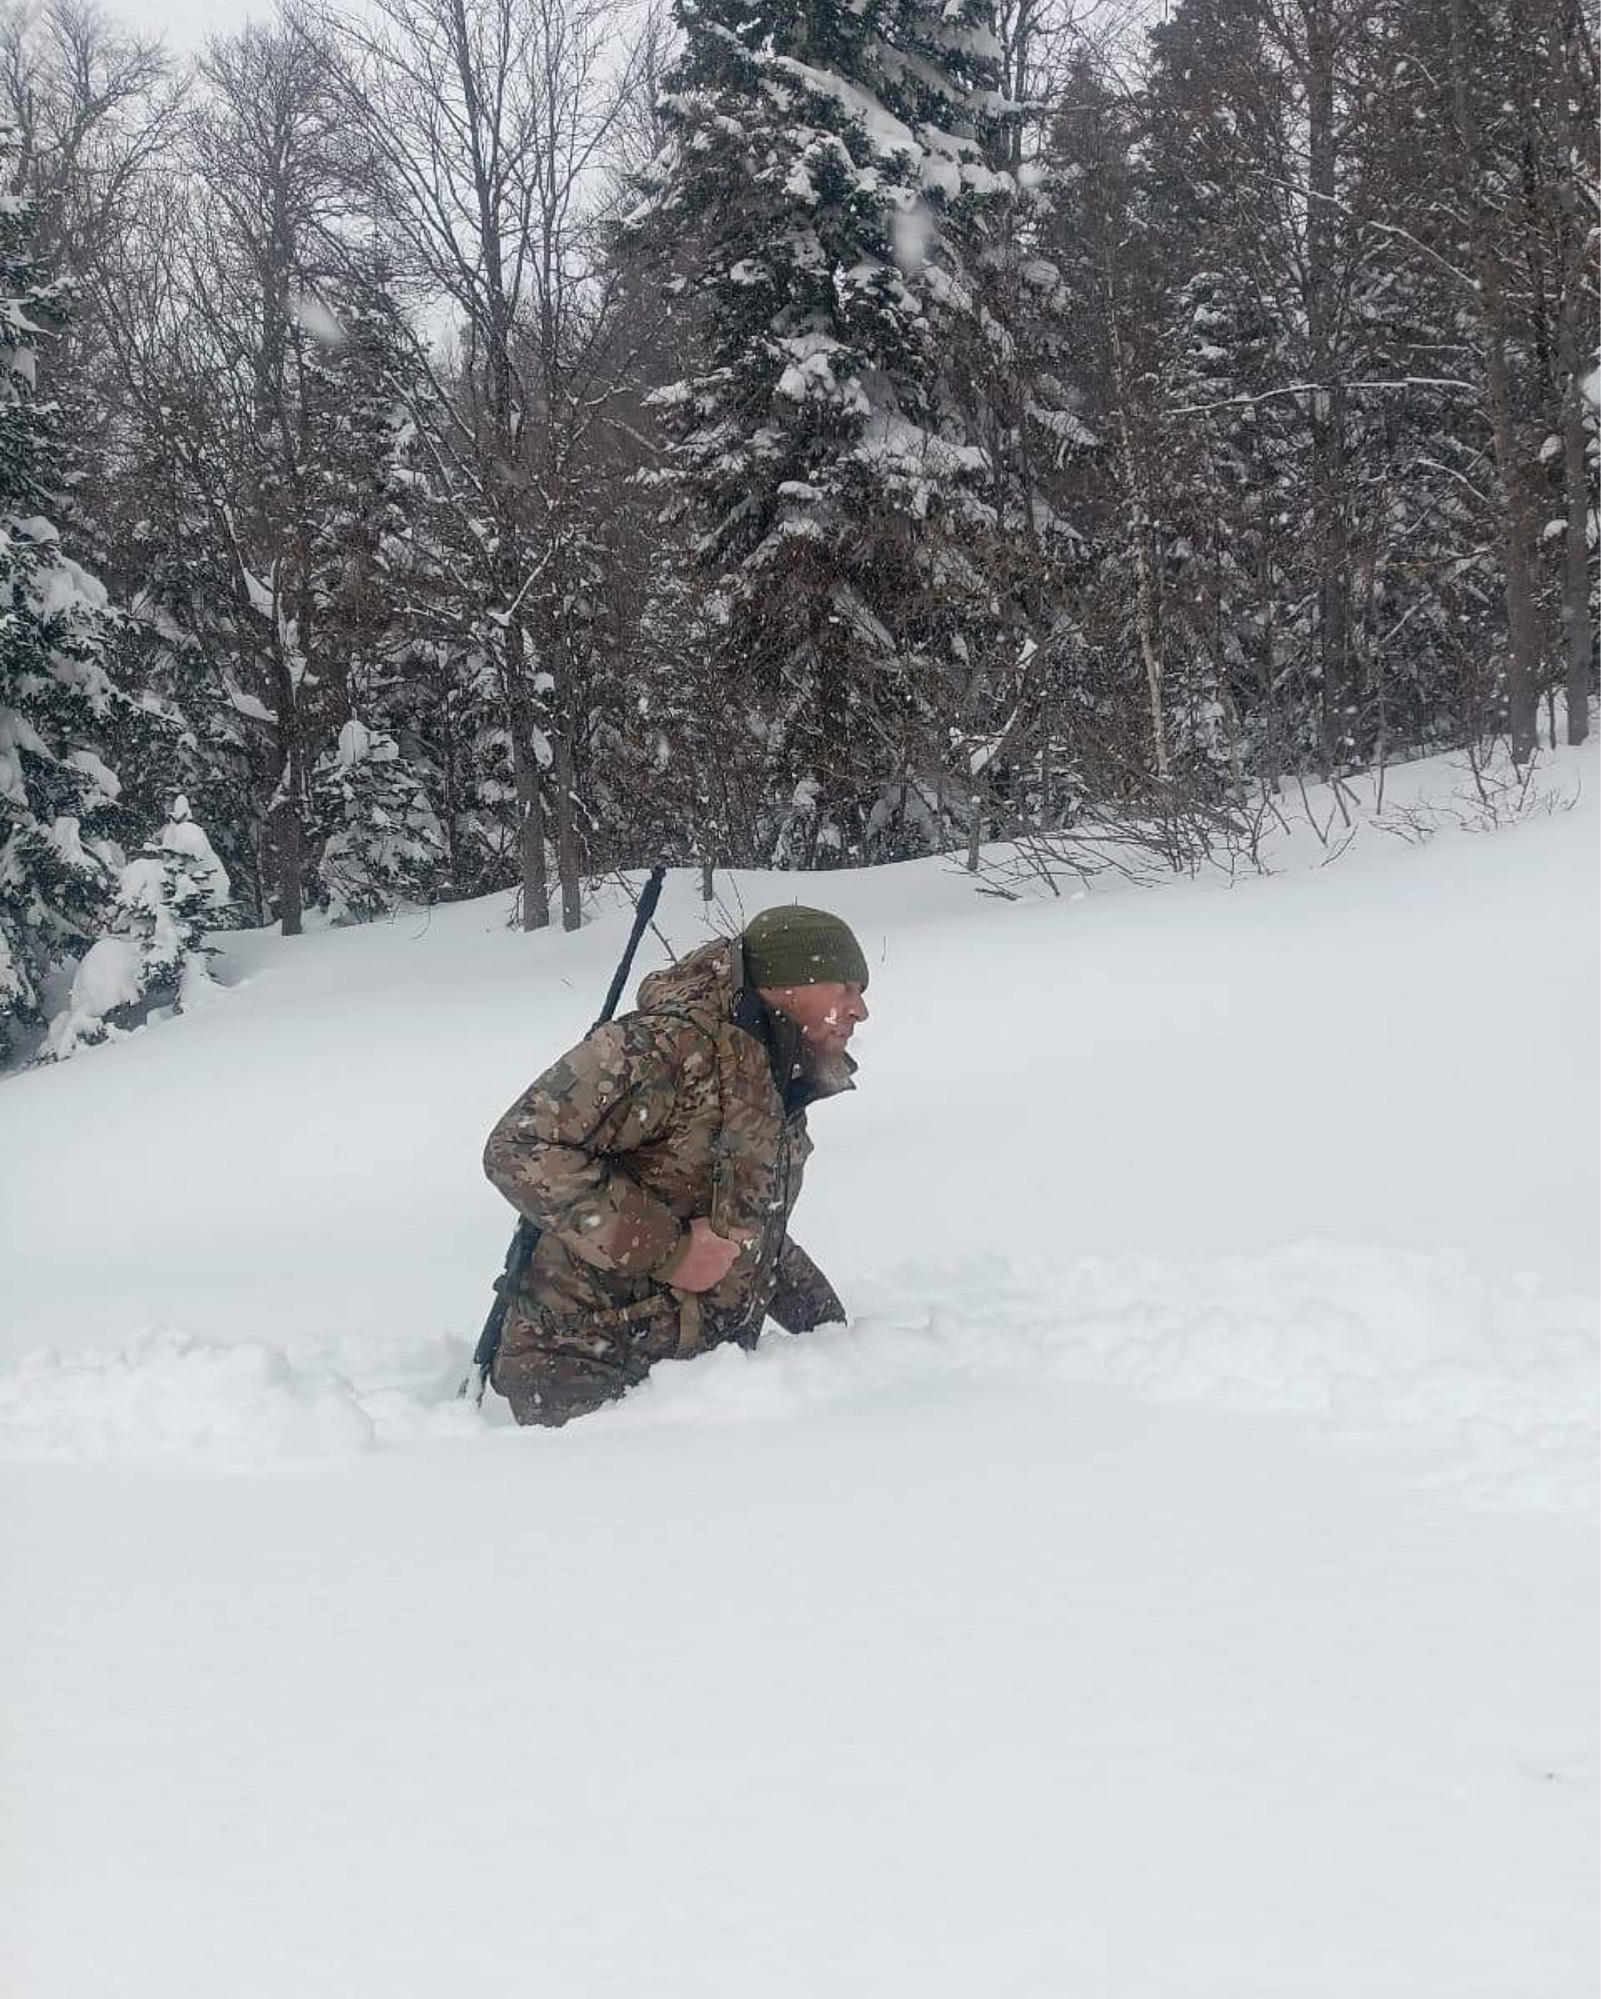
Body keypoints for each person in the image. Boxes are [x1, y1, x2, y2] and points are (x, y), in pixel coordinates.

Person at [482, 905, 869, 1425]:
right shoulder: (665, 1047)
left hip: (692, 1385)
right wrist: (669, 1249)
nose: (860, 1009)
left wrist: (834, 1335)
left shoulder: (771, 1074)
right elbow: (521, 1147)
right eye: (843, 987)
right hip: (586, 1383)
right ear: (786, 985)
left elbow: (747, 1232)